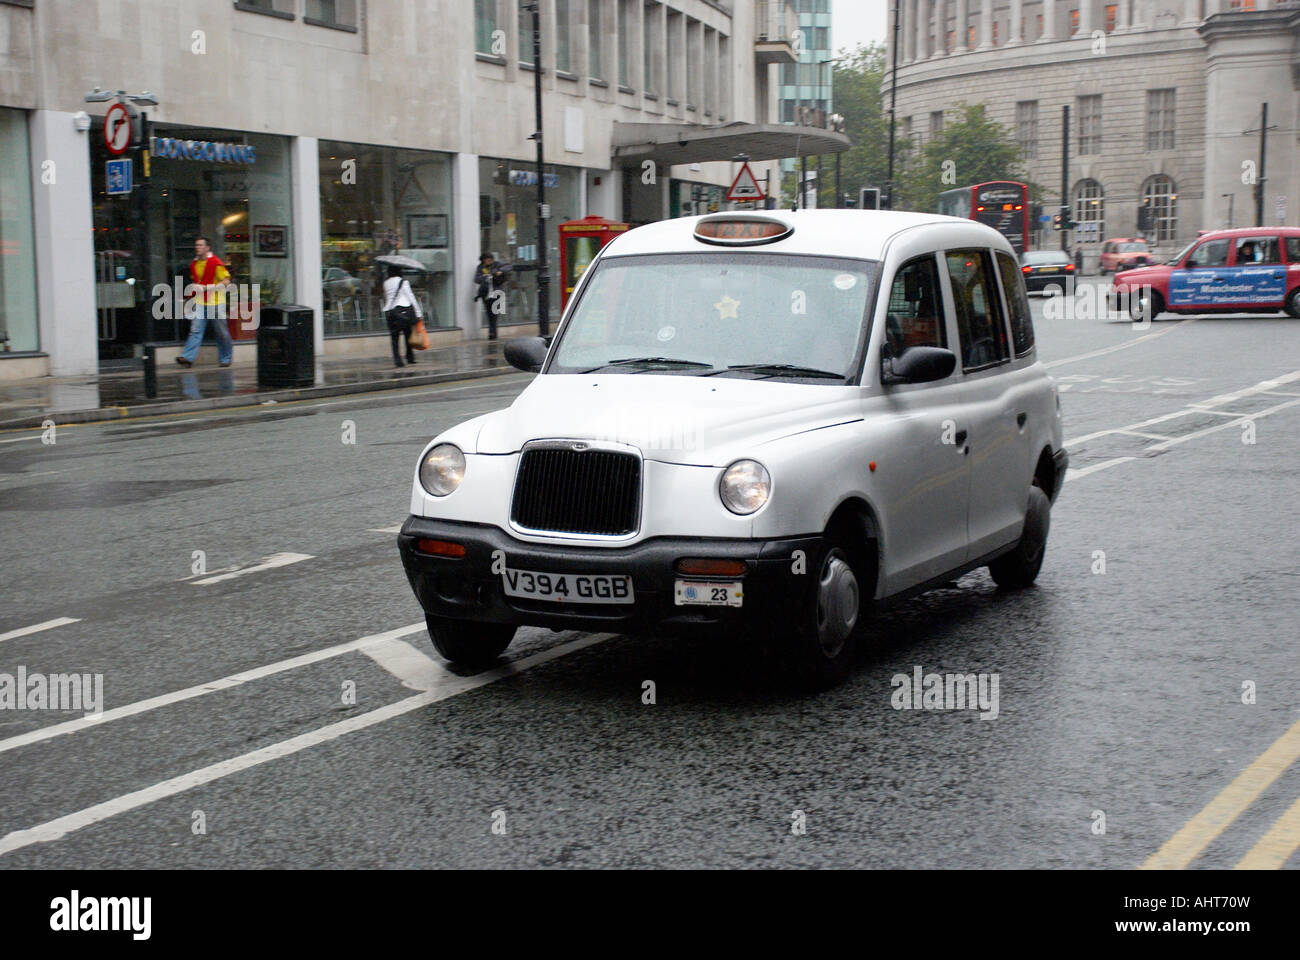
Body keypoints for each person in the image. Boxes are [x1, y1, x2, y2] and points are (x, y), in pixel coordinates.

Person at [177, 236, 233, 368]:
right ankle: (187, 358)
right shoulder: (194, 264)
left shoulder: (215, 263)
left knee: (221, 332)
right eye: (196, 245)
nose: (198, 247)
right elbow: (196, 282)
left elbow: (226, 281)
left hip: (216, 302)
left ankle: (226, 358)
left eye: (201, 245)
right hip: (201, 302)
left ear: (207, 248)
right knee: (195, 330)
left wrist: (207, 287)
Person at [382, 264, 421, 367]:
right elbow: (411, 297)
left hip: (390, 312)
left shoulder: (386, 283)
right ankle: (410, 357)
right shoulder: (403, 282)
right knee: (408, 335)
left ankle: (397, 360)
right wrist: (418, 312)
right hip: (403, 311)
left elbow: (388, 297)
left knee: (394, 338)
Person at [473, 252, 508, 340]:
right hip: (486, 293)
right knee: (489, 313)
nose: (489, 261)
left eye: (490, 259)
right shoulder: (480, 267)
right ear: (483, 260)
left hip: (497, 292)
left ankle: (492, 332)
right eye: (487, 259)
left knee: (495, 313)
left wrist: (499, 271)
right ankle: (492, 333)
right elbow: (476, 279)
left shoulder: (497, 264)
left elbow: (508, 267)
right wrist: (486, 277)